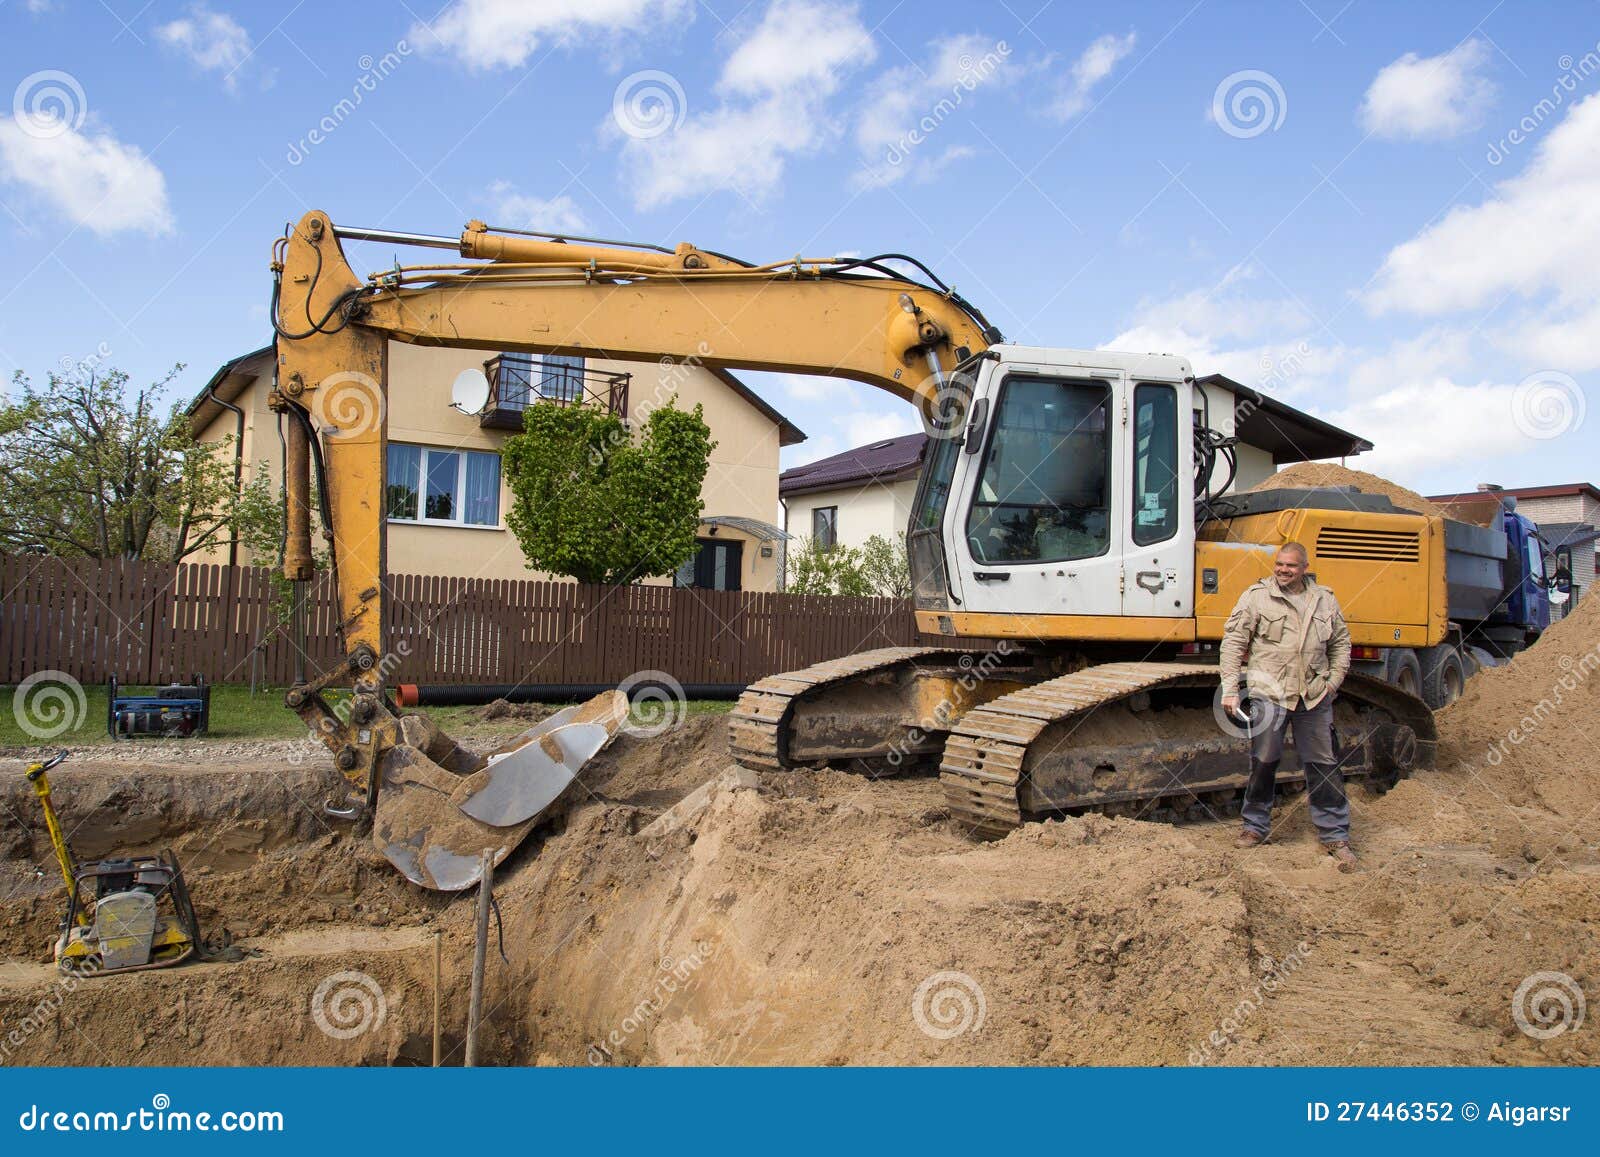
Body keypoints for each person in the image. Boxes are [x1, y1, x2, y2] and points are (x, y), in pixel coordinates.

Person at [1219, 542, 1356, 871]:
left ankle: (1334, 833)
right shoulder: (1256, 597)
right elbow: (1234, 641)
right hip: (1270, 692)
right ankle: (1255, 827)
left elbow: (1341, 643)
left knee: (1323, 762)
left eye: (1290, 566)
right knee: (1264, 760)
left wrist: (1333, 682)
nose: (1282, 570)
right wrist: (1229, 688)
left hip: (1313, 695)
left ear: (1305, 568)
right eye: (1279, 564)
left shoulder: (1324, 599)